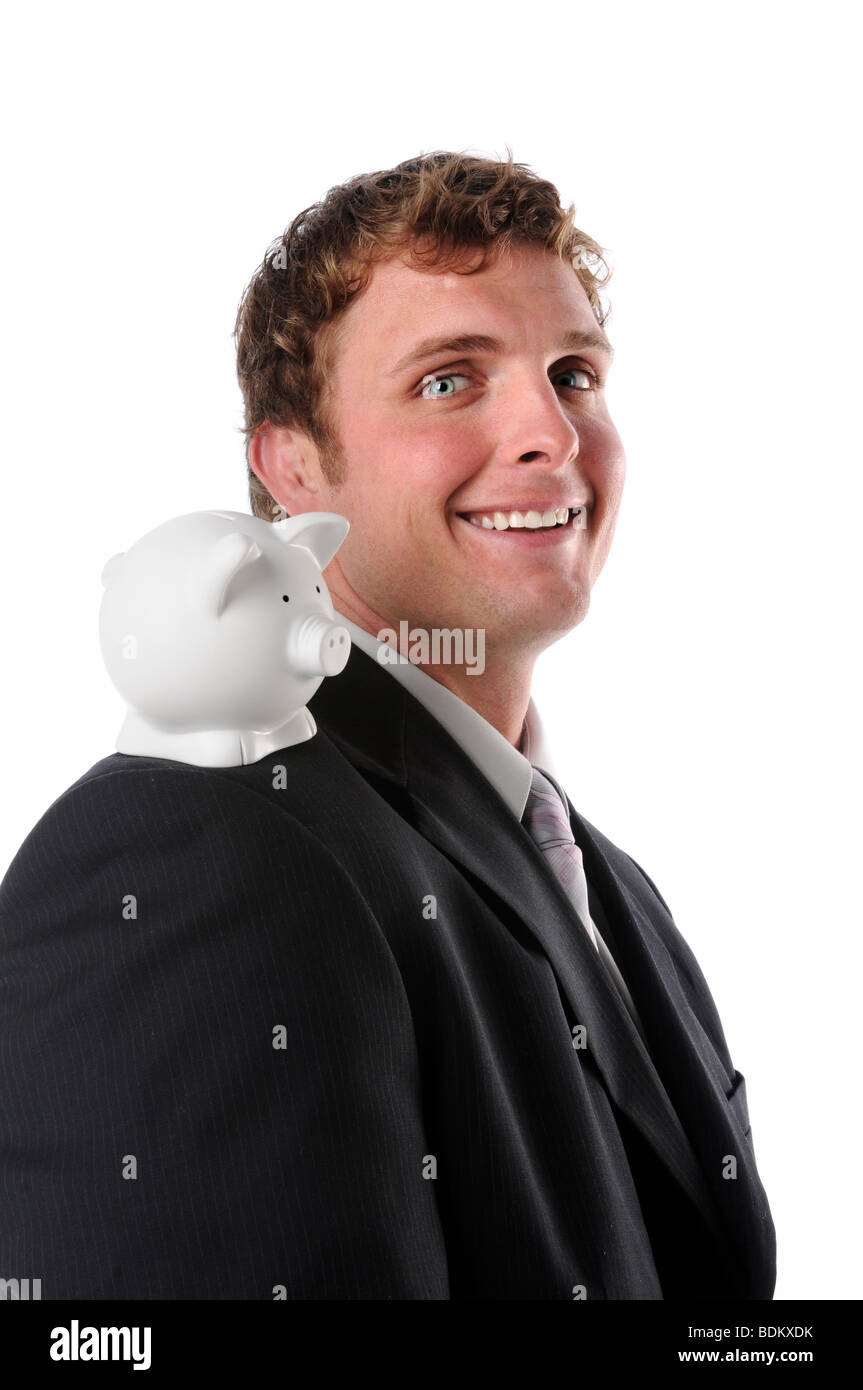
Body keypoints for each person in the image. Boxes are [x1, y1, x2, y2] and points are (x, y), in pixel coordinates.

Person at [0, 150, 775, 1300]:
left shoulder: (613, 889)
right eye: (449, 381)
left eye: (572, 373)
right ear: (293, 468)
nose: (550, 437)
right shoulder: (197, 838)